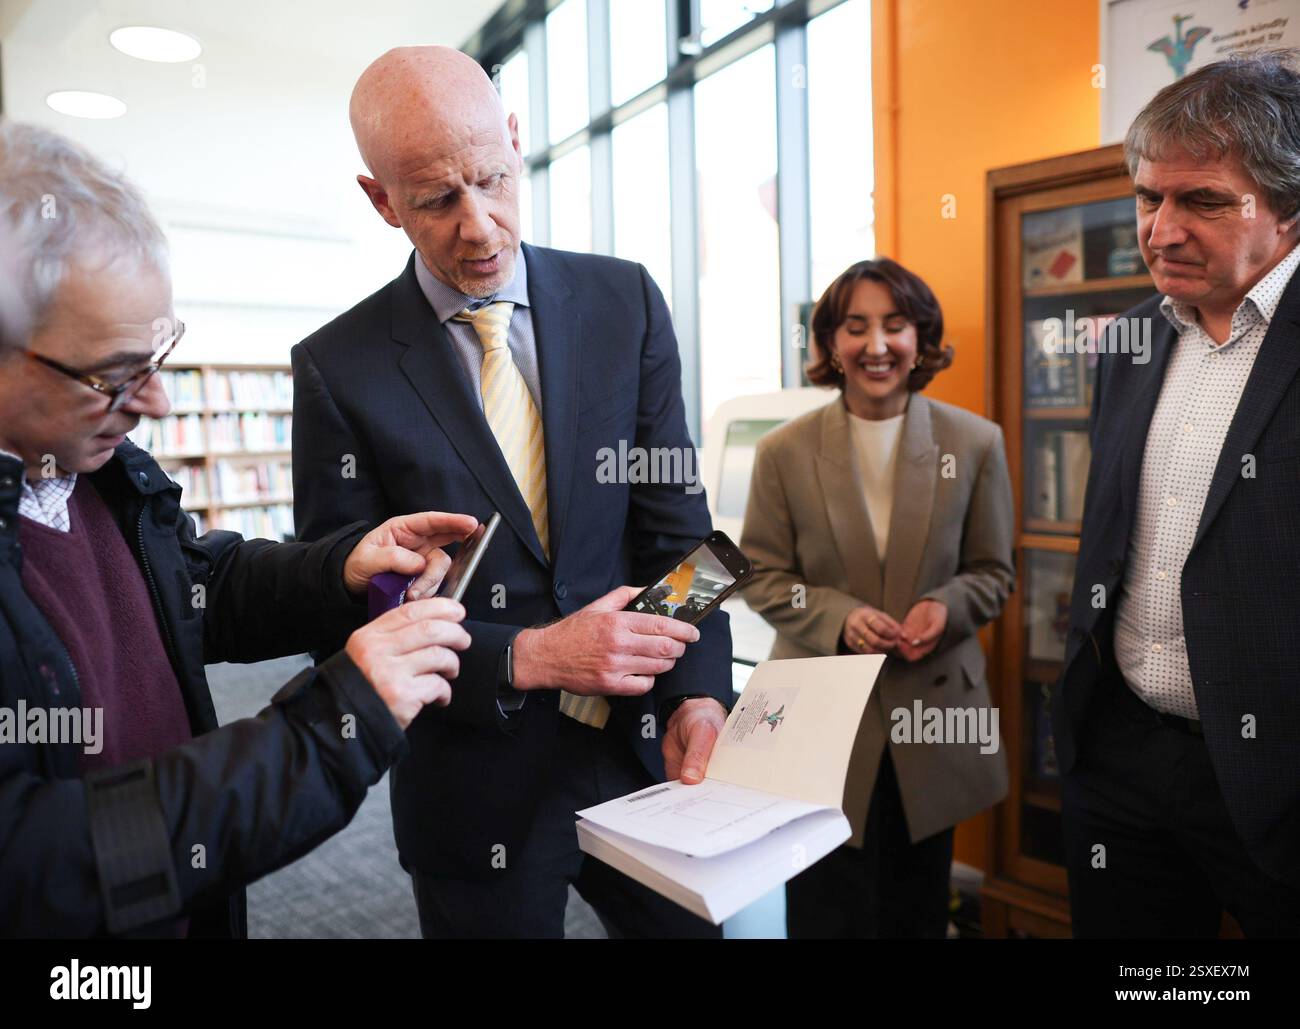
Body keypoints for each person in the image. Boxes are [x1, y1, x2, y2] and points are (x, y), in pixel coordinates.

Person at [291, 46, 734, 939]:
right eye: (435, 200)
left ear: (517, 141)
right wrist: (532, 654)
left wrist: (697, 693)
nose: (482, 227)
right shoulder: (339, 369)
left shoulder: (627, 303)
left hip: (650, 753)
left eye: (493, 179)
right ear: (381, 201)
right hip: (475, 785)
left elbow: (684, 538)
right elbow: (346, 615)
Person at [0, 120, 476, 938]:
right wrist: (333, 724)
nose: (157, 404)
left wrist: (341, 571)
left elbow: (190, 583)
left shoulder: (88, 468)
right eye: (114, 376)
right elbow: (32, 859)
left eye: (160, 357)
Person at [1055, 50, 1300, 937]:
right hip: (1118, 758)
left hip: (1275, 780)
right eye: (1148, 198)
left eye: (1200, 200)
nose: (1159, 230)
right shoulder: (1127, 341)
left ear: (1286, 206)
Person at [741, 258, 1014, 938]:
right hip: (820, 727)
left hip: (932, 715)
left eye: (895, 326)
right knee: (823, 911)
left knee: (916, 910)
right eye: (855, 327)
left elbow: (992, 570)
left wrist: (947, 608)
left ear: (921, 338)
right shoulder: (783, 451)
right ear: (830, 343)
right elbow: (762, 574)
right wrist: (839, 616)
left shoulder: (975, 442)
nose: (877, 344)